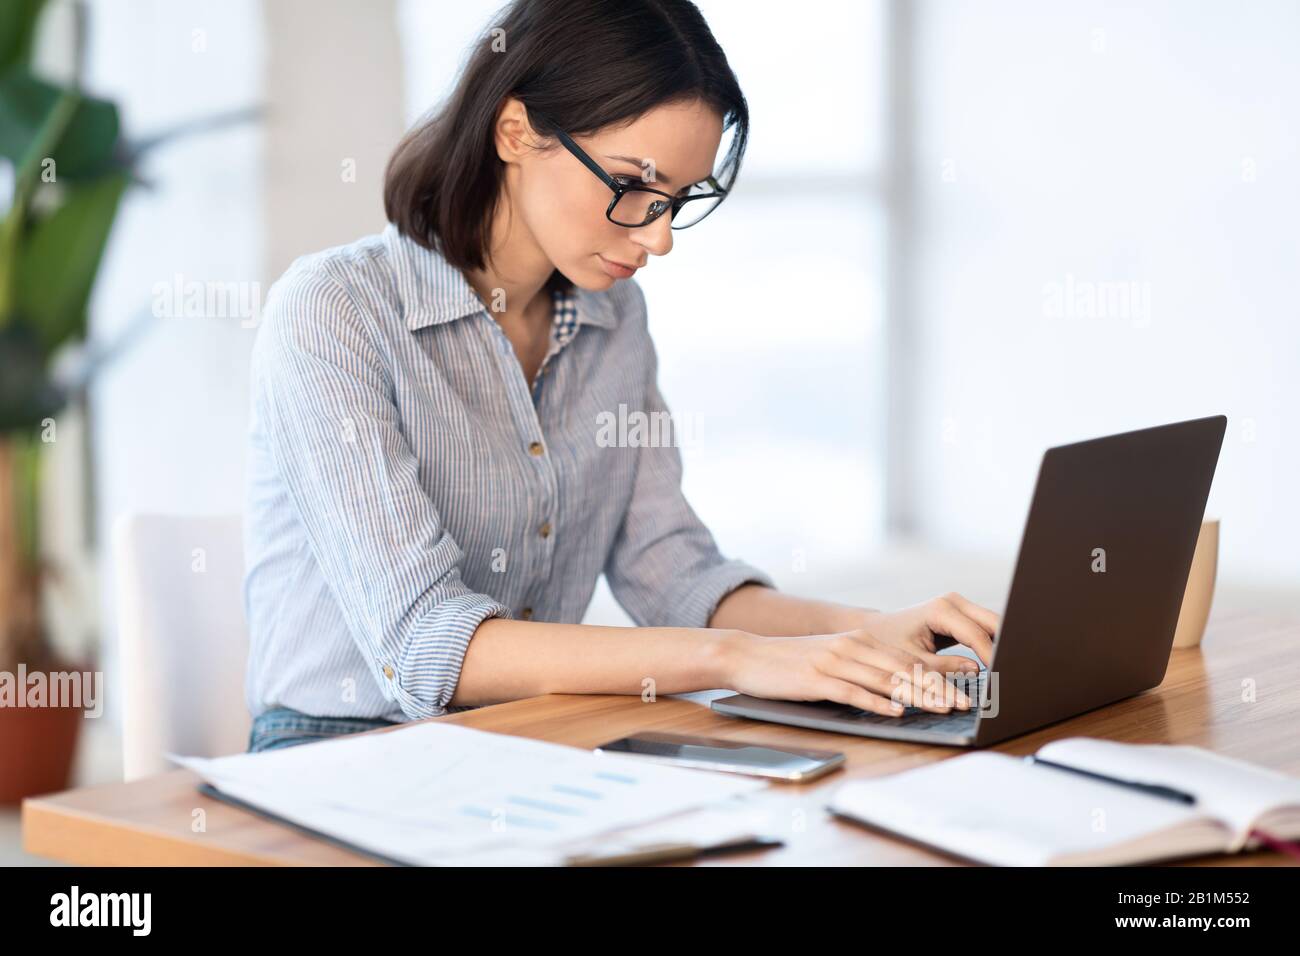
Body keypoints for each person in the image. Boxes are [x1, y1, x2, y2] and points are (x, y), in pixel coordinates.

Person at [243, 0, 999, 753]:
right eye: (633, 184)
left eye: (677, 198)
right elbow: (428, 644)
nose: (660, 235)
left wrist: (868, 631)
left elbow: (672, 573)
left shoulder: (615, 319)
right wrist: (740, 659)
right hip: (337, 752)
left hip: (524, 743)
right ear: (516, 131)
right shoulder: (336, 312)